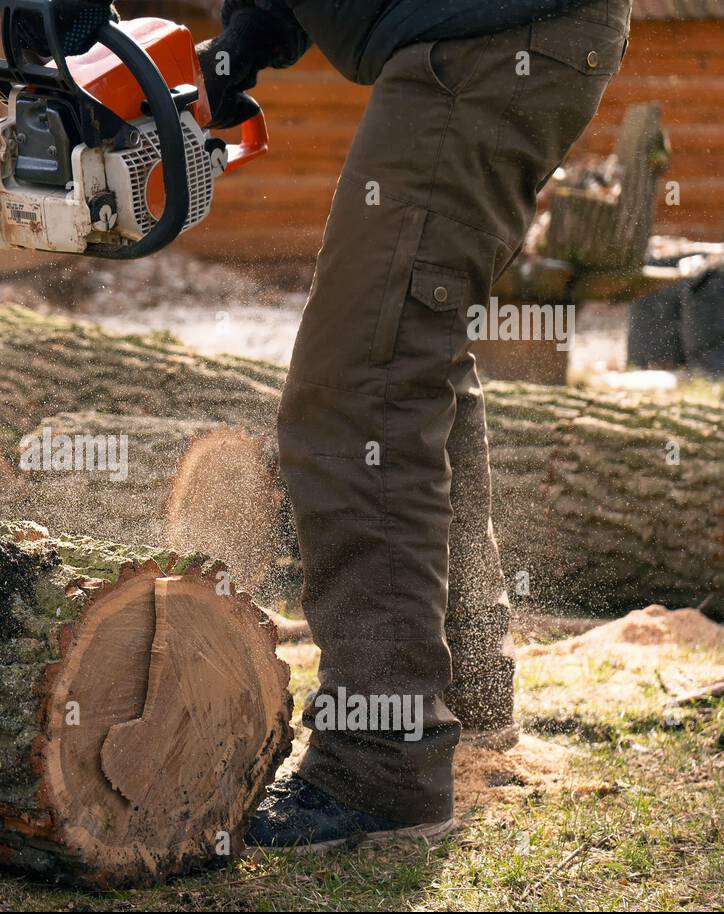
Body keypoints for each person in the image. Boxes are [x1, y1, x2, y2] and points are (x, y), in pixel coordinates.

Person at [195, 0, 632, 847]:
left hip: (487, 36)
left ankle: (381, 760)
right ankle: (465, 691)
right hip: (491, 34)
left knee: (361, 383)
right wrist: (261, 27)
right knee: (407, 354)